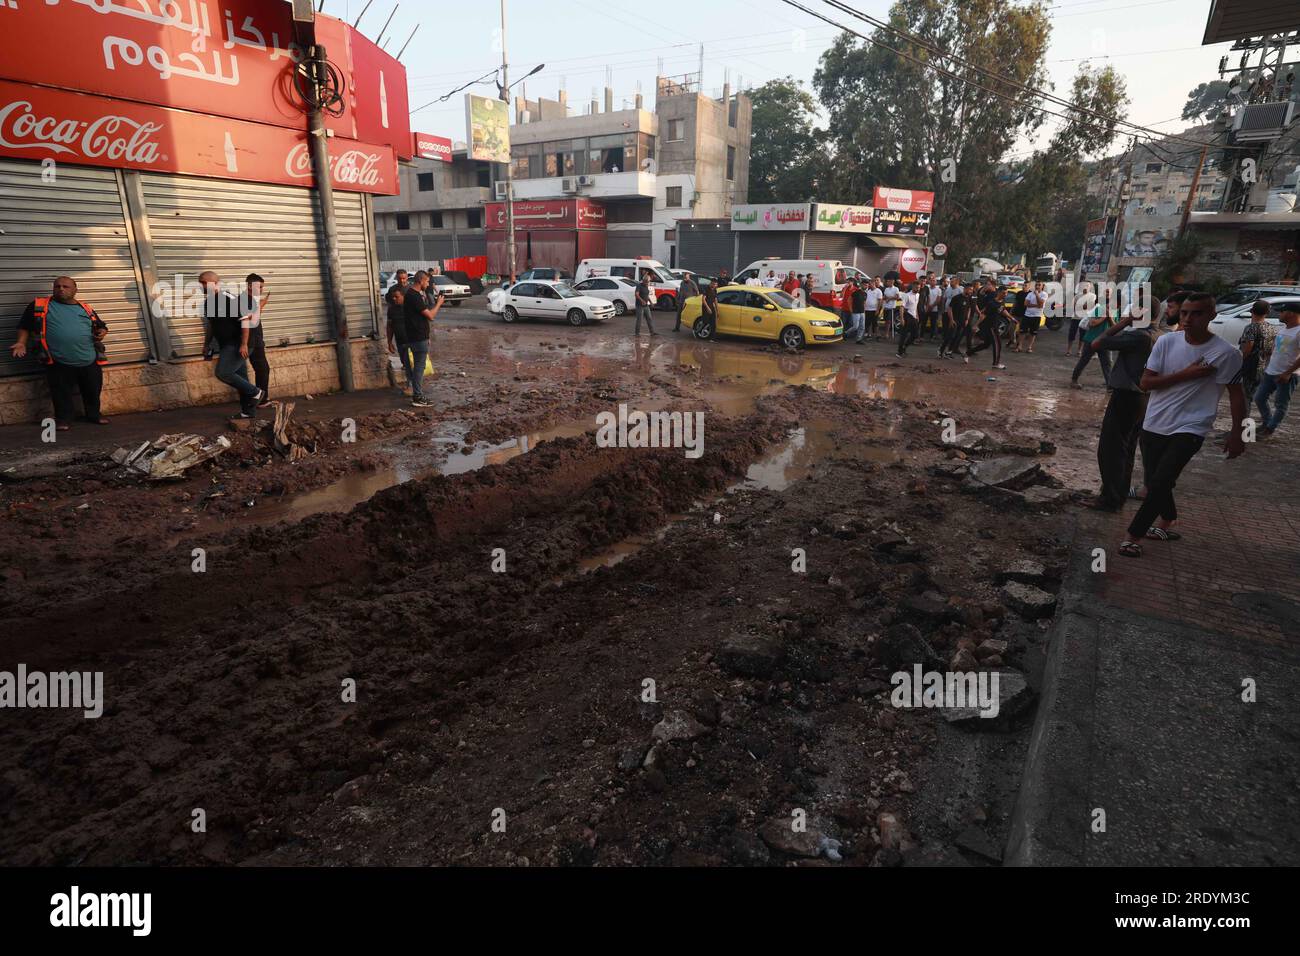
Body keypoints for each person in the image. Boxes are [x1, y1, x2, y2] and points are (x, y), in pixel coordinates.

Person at [1118, 292, 1245, 558]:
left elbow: (1237, 396)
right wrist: (1188, 373)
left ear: (1212, 315)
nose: (1188, 318)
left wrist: (1239, 433)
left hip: (1192, 426)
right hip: (1154, 422)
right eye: (1185, 313)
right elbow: (1146, 383)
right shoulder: (1166, 342)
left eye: (1197, 313)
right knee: (1157, 481)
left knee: (1159, 481)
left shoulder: (1226, 353)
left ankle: (1134, 536)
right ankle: (1169, 520)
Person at [12, 276, 109, 430]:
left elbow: (101, 326)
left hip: (89, 358)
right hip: (57, 360)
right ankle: (64, 419)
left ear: (75, 290)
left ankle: (94, 415)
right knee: (60, 392)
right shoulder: (39, 305)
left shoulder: (85, 307)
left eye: (65, 286)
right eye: (57, 286)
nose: (61, 289)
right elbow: (24, 326)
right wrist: (21, 342)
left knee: (92, 389)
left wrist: (102, 332)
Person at [1087, 308, 1159, 511]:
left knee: (1110, 450)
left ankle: (1110, 498)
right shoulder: (1160, 335)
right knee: (1126, 448)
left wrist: (1125, 321)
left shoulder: (1138, 336)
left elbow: (1097, 342)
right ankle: (1118, 496)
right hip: (1143, 398)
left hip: (1127, 395)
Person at [199, 270, 262, 418]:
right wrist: (207, 344)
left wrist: (244, 344)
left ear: (214, 283)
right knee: (242, 379)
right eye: (200, 283)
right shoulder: (208, 303)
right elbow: (211, 325)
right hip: (226, 344)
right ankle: (248, 412)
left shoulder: (228, 298)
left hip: (238, 343)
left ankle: (256, 392)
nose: (201, 285)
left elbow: (245, 320)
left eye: (203, 282)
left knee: (223, 372)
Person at [1255, 302, 1300, 437]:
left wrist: (1287, 373)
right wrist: (1268, 365)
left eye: (1282, 311)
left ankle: (1269, 429)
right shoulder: (1283, 329)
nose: (1279, 314)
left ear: (1291, 313)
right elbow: (1276, 350)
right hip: (1271, 372)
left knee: (1280, 404)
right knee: (1259, 398)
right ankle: (1267, 422)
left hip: (1287, 375)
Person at [402, 270, 445, 408]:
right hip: (417, 337)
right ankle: (418, 396)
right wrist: (439, 303)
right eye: (427, 281)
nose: (428, 284)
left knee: (418, 367)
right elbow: (430, 316)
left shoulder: (412, 294)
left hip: (418, 336)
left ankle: (417, 394)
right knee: (419, 368)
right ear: (421, 281)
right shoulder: (414, 296)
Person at [1237, 299, 1276, 407]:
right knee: (1259, 395)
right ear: (1267, 313)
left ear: (1252, 311)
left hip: (1250, 366)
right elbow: (1272, 349)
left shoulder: (1251, 327)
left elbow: (1248, 347)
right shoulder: (1271, 328)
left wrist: (1240, 361)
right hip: (1264, 366)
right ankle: (1267, 419)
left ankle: (1244, 421)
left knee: (1246, 397)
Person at [241, 273, 272, 408]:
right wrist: (263, 304)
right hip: (253, 341)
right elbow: (249, 320)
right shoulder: (246, 300)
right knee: (263, 369)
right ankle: (262, 400)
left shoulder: (248, 299)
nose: (261, 290)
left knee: (255, 370)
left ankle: (254, 398)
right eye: (259, 287)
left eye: (262, 287)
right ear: (249, 286)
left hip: (253, 340)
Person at [1071, 297, 1114, 388]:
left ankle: (1110, 385)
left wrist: (1109, 317)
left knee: (1107, 364)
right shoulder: (1099, 309)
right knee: (1084, 361)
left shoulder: (1114, 312)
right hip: (1091, 340)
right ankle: (1074, 380)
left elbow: (1115, 327)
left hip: (1105, 342)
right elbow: (1092, 323)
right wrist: (1104, 317)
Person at [968, 279, 1008, 369]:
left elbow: (1001, 309)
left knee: (986, 344)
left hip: (992, 322)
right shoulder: (989, 296)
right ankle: (996, 363)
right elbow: (982, 306)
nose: (986, 286)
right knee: (997, 344)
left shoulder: (996, 296)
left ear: (993, 286)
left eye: (988, 284)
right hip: (990, 324)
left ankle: (968, 353)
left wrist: (1011, 318)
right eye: (986, 284)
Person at [385, 270, 411, 389]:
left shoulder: (411, 291)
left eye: (404, 278)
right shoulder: (392, 307)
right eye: (400, 278)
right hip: (400, 337)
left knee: (413, 363)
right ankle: (412, 384)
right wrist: (389, 342)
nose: (402, 280)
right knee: (405, 362)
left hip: (412, 338)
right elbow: (389, 325)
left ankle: (413, 386)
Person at [939, 281, 972, 359]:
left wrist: (967, 319)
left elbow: (969, 308)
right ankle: (940, 351)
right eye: (970, 289)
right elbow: (949, 308)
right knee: (950, 336)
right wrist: (951, 320)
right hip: (955, 320)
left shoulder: (969, 298)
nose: (971, 291)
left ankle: (949, 352)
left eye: (972, 289)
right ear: (965, 289)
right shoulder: (957, 298)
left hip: (962, 321)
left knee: (957, 337)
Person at [1017, 282, 1043, 354]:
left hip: (1036, 316)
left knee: (1033, 333)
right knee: (1022, 332)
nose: (1037, 286)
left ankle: (1029, 347)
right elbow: (1026, 304)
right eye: (1036, 285)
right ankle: (1019, 346)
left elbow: (1041, 304)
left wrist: (1037, 294)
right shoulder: (1030, 294)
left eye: (1039, 285)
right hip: (1027, 315)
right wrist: (1036, 305)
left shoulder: (1044, 294)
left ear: (1042, 286)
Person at [898, 282, 920, 357]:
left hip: (913, 317)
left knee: (915, 335)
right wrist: (902, 319)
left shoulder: (918, 295)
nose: (918, 289)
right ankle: (899, 352)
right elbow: (901, 307)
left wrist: (917, 315)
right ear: (913, 287)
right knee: (904, 335)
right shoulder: (907, 295)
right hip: (907, 315)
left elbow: (915, 306)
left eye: (919, 287)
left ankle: (905, 347)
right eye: (917, 287)